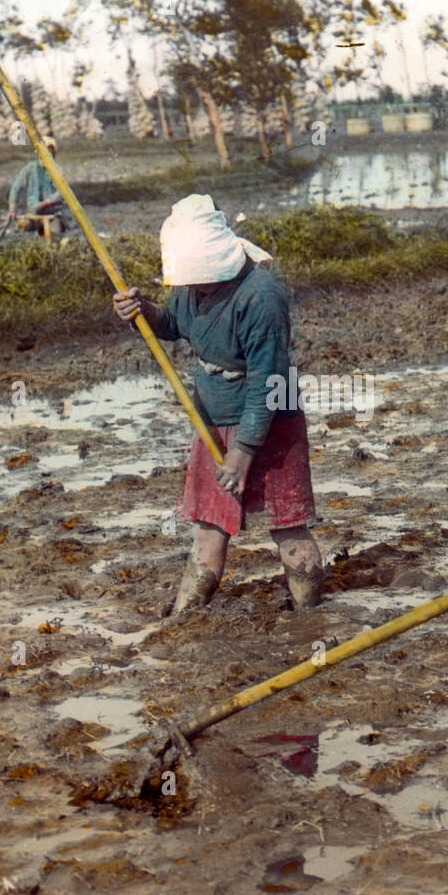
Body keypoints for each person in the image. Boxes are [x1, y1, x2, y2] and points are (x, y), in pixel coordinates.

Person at [112, 194, 323, 615]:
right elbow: (176, 325)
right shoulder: (192, 287)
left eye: (201, 280)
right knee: (209, 527)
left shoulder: (261, 295)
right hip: (212, 419)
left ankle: (312, 616)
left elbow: (269, 380)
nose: (195, 288)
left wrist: (243, 452)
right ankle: (183, 618)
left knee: (288, 527)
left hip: (270, 419)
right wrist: (144, 312)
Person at [8, 137, 71, 236]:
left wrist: (46, 202)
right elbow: (16, 188)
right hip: (33, 212)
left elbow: (62, 192)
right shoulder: (29, 169)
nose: (49, 152)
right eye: (46, 149)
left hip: (53, 214)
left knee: (53, 235)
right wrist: (12, 208)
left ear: (55, 152)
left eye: (51, 148)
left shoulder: (58, 171)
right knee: (21, 231)